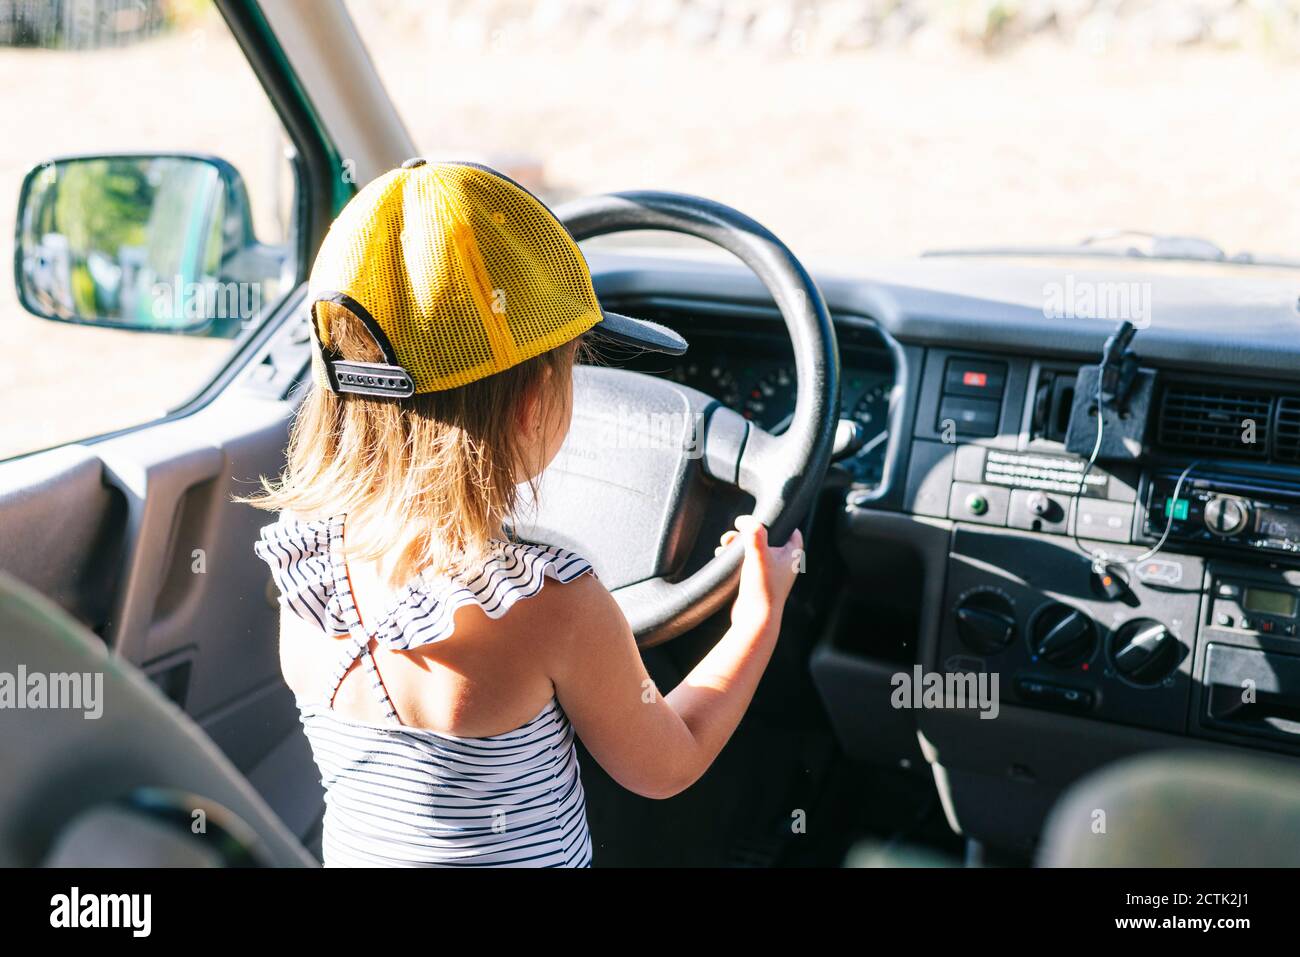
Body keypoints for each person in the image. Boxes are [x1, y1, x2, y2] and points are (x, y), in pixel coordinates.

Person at [248, 159, 803, 867]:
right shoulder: (551, 603)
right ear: (534, 401)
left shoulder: (304, 568)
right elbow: (668, 763)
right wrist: (759, 614)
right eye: (571, 365)